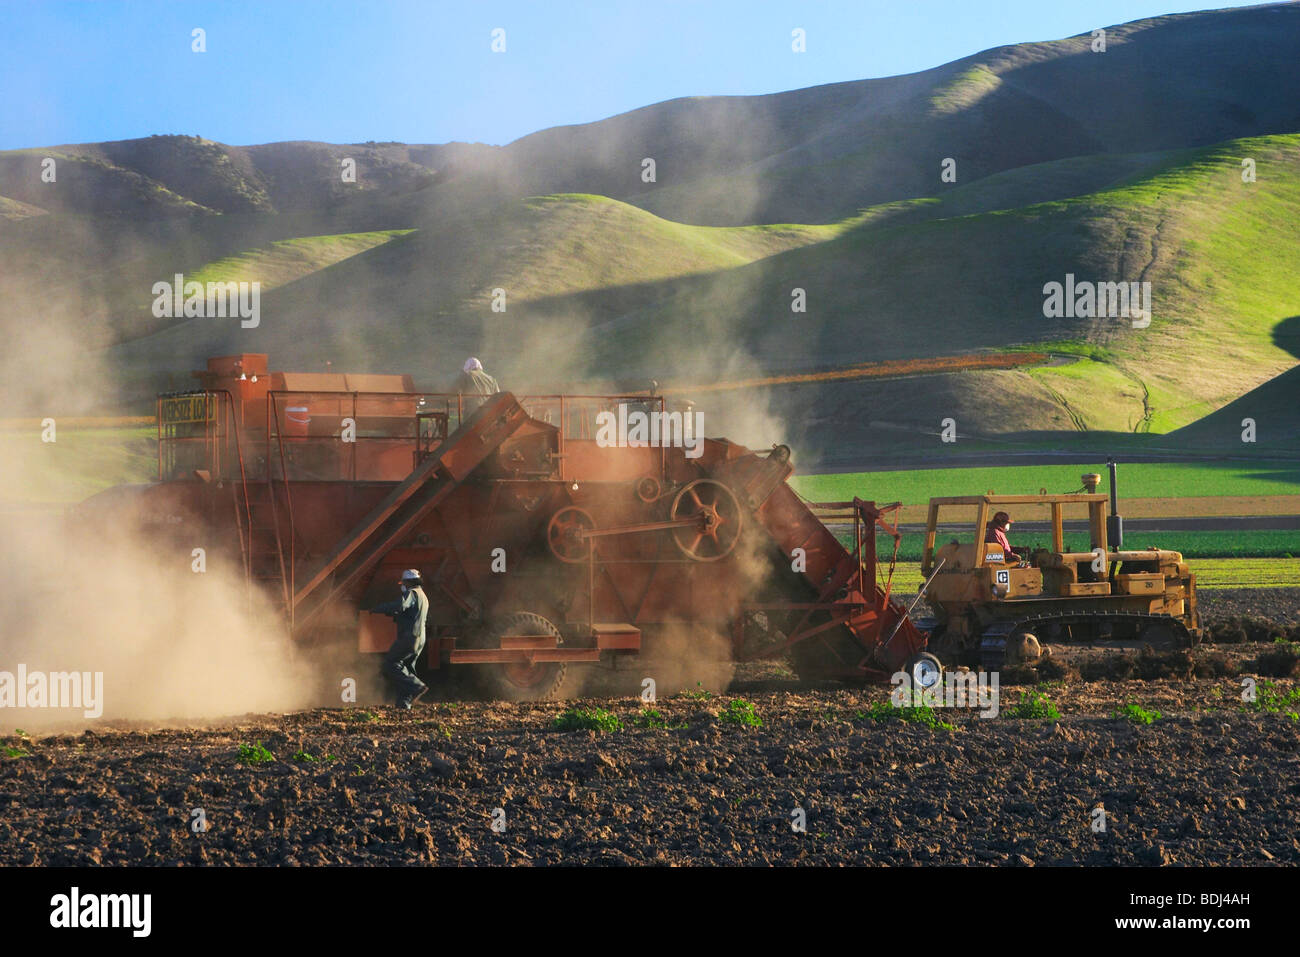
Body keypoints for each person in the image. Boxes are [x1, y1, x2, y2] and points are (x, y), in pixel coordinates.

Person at [371, 569, 430, 709]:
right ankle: (404, 703)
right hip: (420, 637)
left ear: (408, 582)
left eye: (403, 582)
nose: (402, 585)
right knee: (407, 668)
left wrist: (378, 608)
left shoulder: (412, 593)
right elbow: (411, 614)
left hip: (409, 637)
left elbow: (400, 605)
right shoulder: (423, 596)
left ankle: (417, 686)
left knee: (391, 663)